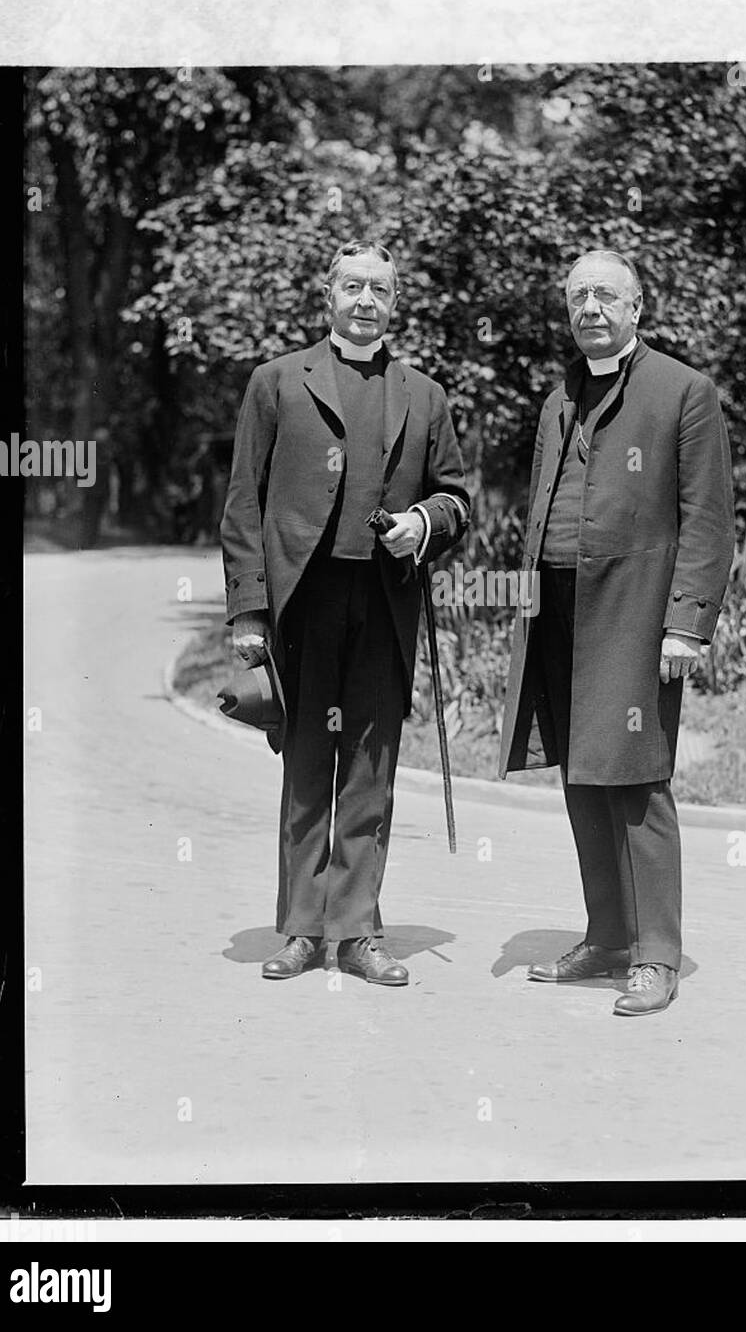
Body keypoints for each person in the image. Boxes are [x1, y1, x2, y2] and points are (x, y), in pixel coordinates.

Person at [220, 239, 469, 987]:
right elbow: (243, 504)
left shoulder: (425, 395)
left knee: (371, 769)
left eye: (380, 290)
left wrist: (422, 523)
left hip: (384, 603)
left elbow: (458, 498)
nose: (366, 301)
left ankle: (358, 931)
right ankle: (300, 928)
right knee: (304, 767)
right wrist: (248, 612)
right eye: (353, 286)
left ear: (396, 304)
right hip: (303, 602)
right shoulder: (275, 383)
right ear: (327, 294)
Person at [498, 248, 735, 1017]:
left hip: (636, 614)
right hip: (559, 609)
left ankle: (656, 955)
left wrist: (686, 627)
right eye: (577, 299)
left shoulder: (683, 392)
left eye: (605, 296)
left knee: (636, 780)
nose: (590, 310)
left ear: (637, 308)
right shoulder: (559, 397)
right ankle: (606, 940)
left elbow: (708, 523)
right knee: (581, 776)